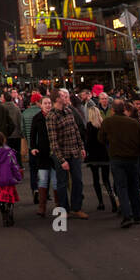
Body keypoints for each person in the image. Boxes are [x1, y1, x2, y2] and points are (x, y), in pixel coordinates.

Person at [99, 99, 140, 228]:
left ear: (113, 110)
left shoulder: (108, 122)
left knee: (122, 187)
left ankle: (127, 215)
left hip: (117, 158)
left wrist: (110, 143)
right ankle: (137, 215)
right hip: (132, 158)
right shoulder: (133, 122)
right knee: (134, 186)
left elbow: (101, 138)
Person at [47, 89, 88, 218]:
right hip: (62, 154)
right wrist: (61, 160)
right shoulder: (51, 116)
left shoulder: (69, 111)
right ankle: (64, 209)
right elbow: (53, 141)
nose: (66, 98)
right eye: (63, 96)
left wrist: (81, 146)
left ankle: (76, 207)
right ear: (57, 99)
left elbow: (76, 130)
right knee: (62, 183)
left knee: (78, 180)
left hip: (74, 151)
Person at [0, 130, 22, 226]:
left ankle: (3, 214)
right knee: (10, 198)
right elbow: (14, 165)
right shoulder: (10, 152)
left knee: (0, 199)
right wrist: (18, 176)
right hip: (9, 178)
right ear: (4, 139)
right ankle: (10, 210)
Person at [84, 103, 115, 211]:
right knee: (106, 179)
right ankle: (113, 200)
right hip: (104, 155)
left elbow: (88, 142)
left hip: (94, 156)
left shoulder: (89, 126)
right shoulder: (104, 125)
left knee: (96, 180)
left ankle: (101, 202)